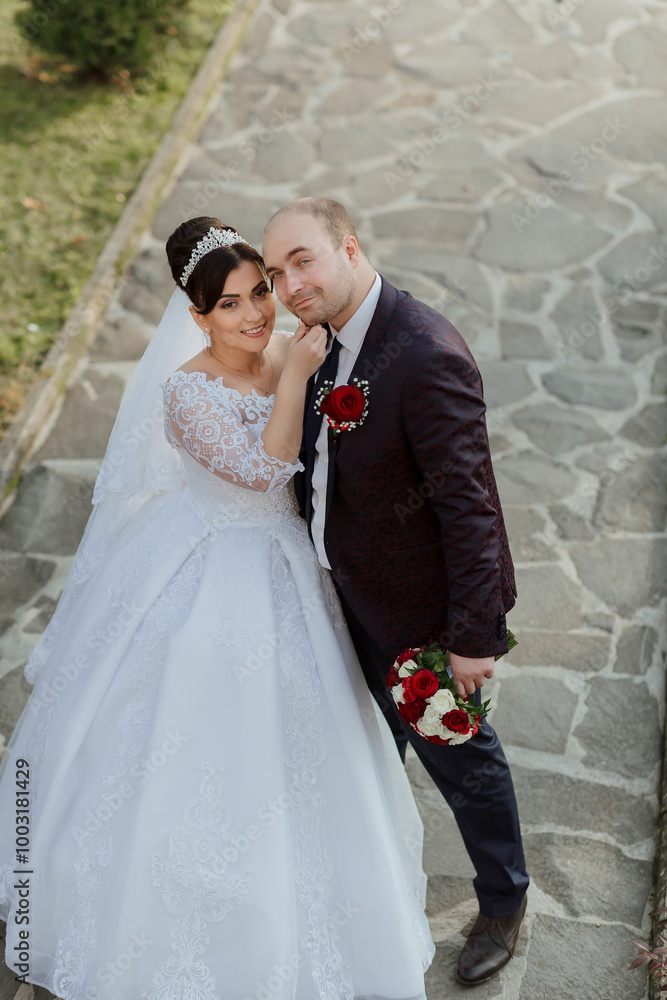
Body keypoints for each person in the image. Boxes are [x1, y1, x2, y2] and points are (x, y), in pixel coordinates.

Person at [0, 217, 435, 1000]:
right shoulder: (188, 391)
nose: (253, 315)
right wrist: (298, 379)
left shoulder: (292, 349)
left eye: (259, 292)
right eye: (228, 305)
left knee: (312, 743)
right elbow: (263, 472)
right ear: (196, 317)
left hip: (292, 571)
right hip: (210, 570)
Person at [262, 197, 530, 987]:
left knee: (462, 764)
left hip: (420, 617)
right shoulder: (321, 343)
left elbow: (469, 504)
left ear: (349, 247)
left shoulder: (422, 352)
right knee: (361, 759)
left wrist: (473, 637)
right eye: (276, 273)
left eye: (302, 260)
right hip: (340, 604)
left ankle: (505, 901)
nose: (288, 285)